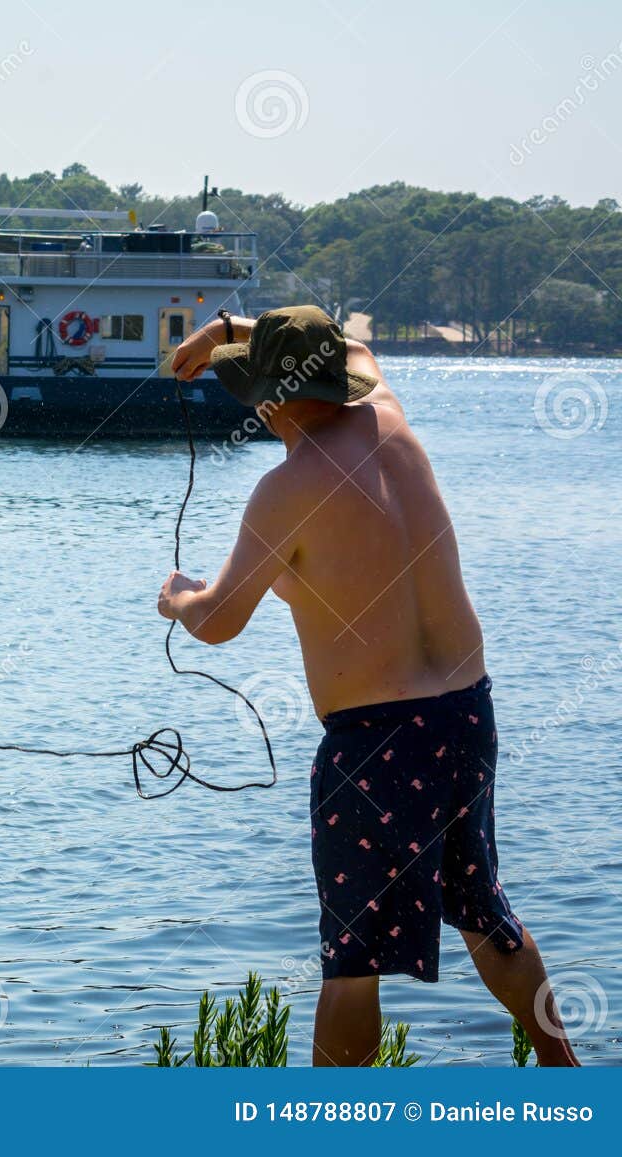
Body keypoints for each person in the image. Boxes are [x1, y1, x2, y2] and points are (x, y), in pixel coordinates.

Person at [157, 306, 580, 1067]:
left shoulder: (288, 488)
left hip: (376, 743)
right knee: (487, 913)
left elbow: (218, 621)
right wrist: (226, 328)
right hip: (465, 714)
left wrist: (178, 597)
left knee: (350, 960)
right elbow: (355, 344)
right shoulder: (390, 417)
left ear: (274, 396)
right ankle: (569, 1080)